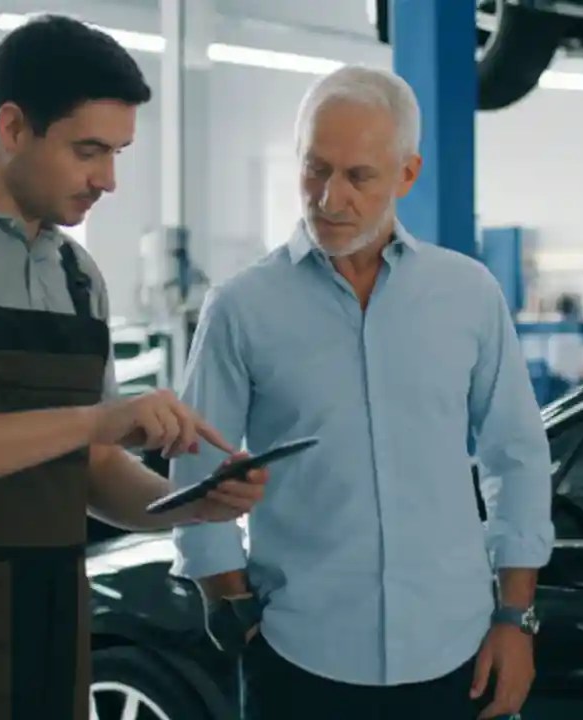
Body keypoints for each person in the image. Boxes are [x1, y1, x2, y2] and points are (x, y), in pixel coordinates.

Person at [0, 15, 267, 720]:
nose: (108, 180)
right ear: (12, 126)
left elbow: (93, 469)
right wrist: (95, 420)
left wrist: (191, 505)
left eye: (117, 153)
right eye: (88, 151)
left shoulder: (78, 275)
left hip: (55, 630)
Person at [170, 65, 555, 720]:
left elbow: (515, 455)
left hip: (456, 658)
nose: (331, 198)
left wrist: (515, 618)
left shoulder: (468, 295)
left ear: (407, 174)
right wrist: (237, 617)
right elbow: (196, 475)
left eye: (358, 176)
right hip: (298, 659)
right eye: (316, 169)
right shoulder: (240, 307)